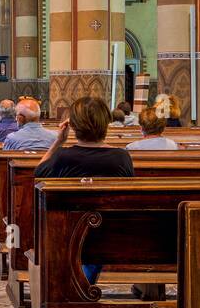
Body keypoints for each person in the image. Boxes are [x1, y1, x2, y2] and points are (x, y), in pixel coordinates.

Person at [36, 97, 134, 284]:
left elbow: (39, 173)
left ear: (73, 125)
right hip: (109, 233)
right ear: (106, 123)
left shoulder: (63, 157)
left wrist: (58, 141)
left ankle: (80, 281)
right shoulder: (122, 158)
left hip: (69, 234)